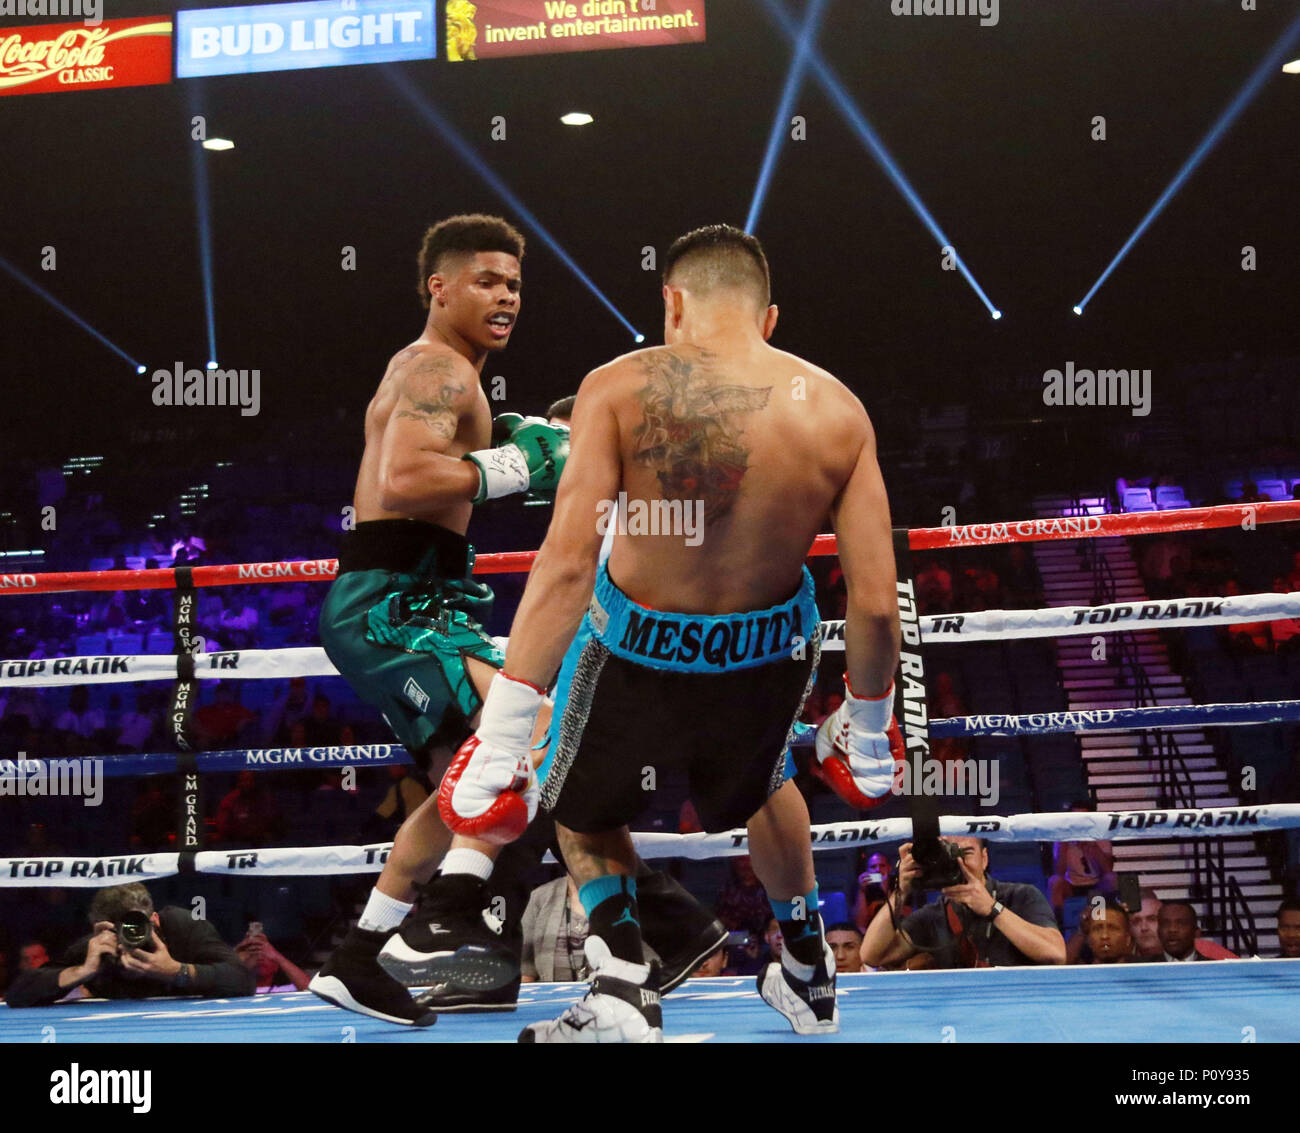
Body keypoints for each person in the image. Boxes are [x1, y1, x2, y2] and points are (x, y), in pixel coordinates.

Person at [439, 224, 903, 1041]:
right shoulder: (836, 408)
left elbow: (567, 563)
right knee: (764, 782)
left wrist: (505, 729)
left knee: (576, 800)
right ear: (769, 318)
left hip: (637, 650)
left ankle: (621, 986)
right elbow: (871, 602)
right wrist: (866, 729)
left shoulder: (617, 387)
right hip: (767, 652)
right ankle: (808, 970)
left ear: (672, 301)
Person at [309, 214, 720, 1026]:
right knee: (525, 740)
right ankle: (589, 924)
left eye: (515, 284)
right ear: (440, 286)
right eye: (487, 281)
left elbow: (452, 476)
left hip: (415, 599)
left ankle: (363, 954)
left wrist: (537, 459)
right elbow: (406, 476)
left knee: (484, 769)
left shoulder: (448, 375)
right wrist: (527, 460)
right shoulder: (441, 370)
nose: (506, 297)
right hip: (395, 606)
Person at [5, 883, 254, 1007]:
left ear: (154, 919)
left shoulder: (181, 926)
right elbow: (18, 994)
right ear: (100, 930)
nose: (130, 933)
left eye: (137, 924)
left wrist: (176, 971)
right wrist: (82, 970)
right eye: (119, 929)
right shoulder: (98, 947)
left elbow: (242, 979)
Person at [862, 837, 1065, 970]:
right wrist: (901, 891)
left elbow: (1056, 954)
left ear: (984, 858)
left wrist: (992, 909)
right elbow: (871, 955)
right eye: (948, 856)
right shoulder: (932, 916)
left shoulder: (1021, 896)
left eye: (966, 853)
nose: (957, 863)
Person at [1081, 898, 1136, 964]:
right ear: (1088, 939)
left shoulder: (1146, 972)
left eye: (1113, 928)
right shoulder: (1077, 974)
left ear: (1128, 939)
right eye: (1097, 929)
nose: (1104, 936)